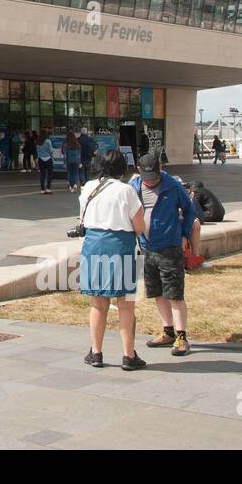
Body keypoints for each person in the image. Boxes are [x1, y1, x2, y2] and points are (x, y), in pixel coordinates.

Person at [77, 149, 148, 371]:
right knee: (126, 304)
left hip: (94, 244)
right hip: (120, 245)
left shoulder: (88, 188)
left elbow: (82, 219)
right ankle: (128, 355)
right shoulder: (126, 190)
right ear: (122, 168)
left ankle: (96, 352)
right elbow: (139, 226)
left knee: (98, 303)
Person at [131, 153, 199, 356]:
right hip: (147, 247)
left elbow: (189, 211)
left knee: (175, 294)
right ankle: (167, 330)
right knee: (157, 292)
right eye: (147, 177)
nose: (150, 182)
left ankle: (181, 337)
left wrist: (185, 234)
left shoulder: (173, 185)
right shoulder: (134, 187)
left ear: (160, 169)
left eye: (154, 177)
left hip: (170, 246)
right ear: (139, 169)